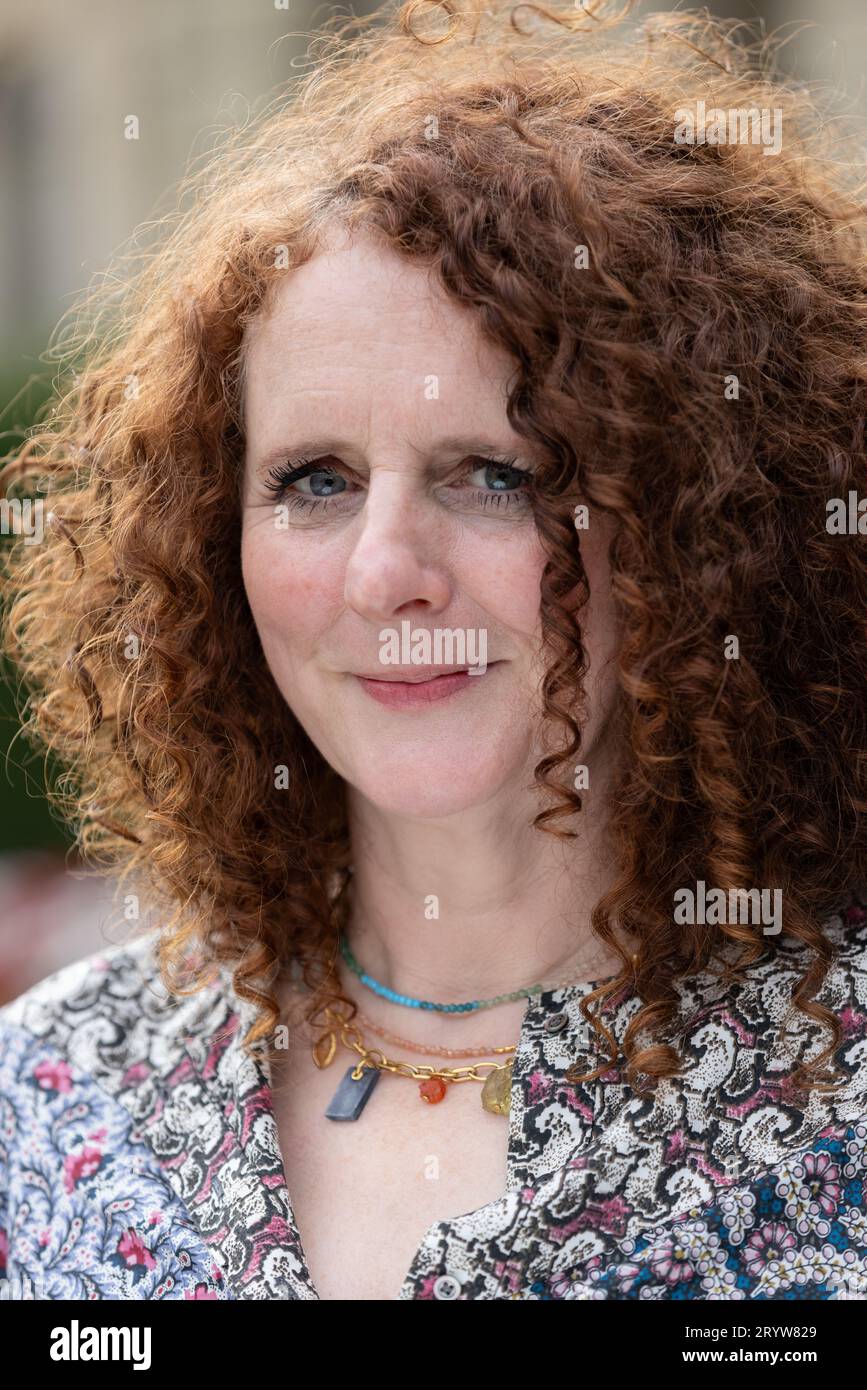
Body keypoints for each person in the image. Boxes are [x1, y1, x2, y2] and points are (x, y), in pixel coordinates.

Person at [0, 0, 865, 1302]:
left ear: (702, 526)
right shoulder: (51, 1095)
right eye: (315, 480)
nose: (383, 572)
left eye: (492, 475)